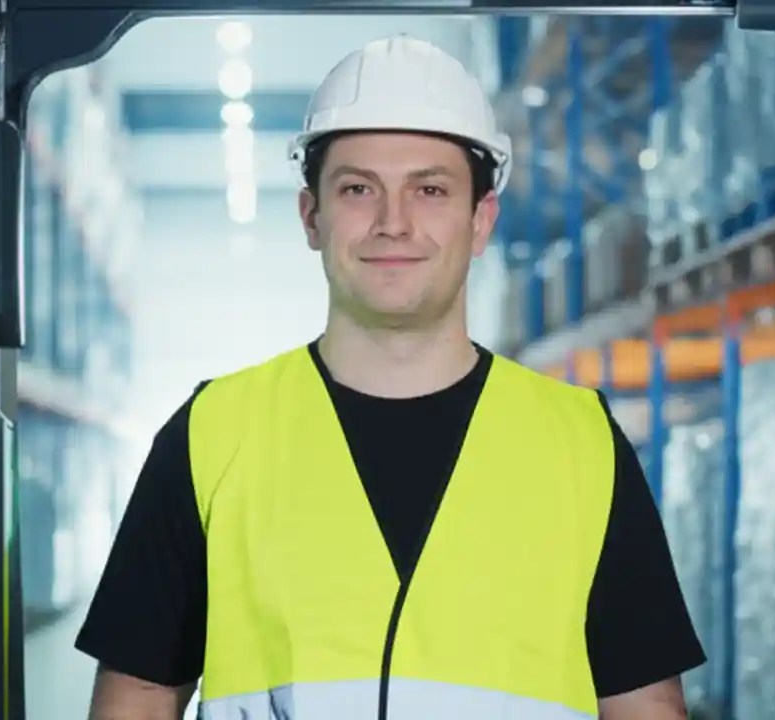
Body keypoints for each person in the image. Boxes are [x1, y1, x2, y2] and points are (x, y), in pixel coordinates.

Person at [75, 35, 706, 720]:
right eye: (357, 189)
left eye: (430, 190)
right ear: (311, 216)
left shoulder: (582, 445)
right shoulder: (211, 434)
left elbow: (645, 705)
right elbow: (136, 694)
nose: (393, 223)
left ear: (481, 220)